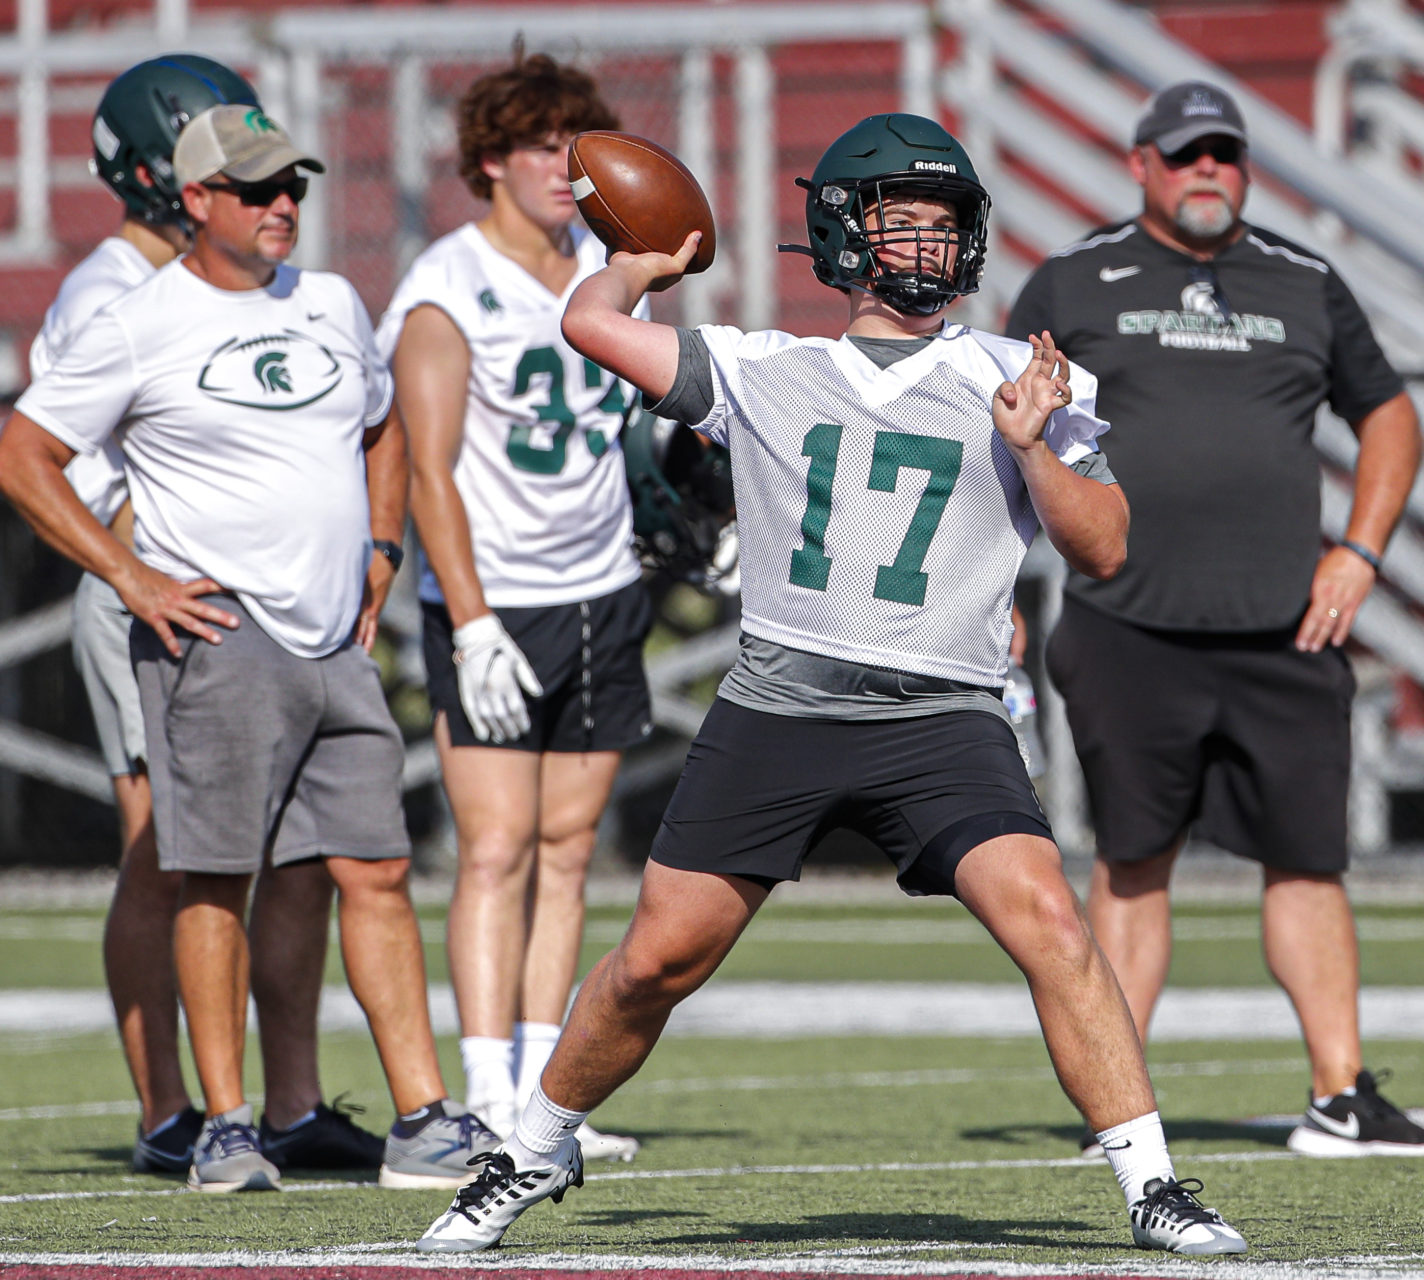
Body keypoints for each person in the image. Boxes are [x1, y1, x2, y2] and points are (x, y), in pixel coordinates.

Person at [414, 113, 1249, 1257]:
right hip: (781, 707)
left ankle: (1153, 1184)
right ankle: (534, 1141)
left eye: (947, 223)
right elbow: (589, 323)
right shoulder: (763, 368)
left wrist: (1038, 447)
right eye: (903, 220)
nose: (930, 244)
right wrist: (643, 258)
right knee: (656, 958)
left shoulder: (1020, 372)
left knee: (1053, 919)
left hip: (943, 713)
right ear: (845, 236)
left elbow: (1103, 545)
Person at [0, 103, 498, 1193]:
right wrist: (130, 575)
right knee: (212, 877)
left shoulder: (327, 298)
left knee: (379, 867)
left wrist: (380, 539)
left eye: (294, 187)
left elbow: (383, 421)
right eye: (260, 188)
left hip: (335, 636)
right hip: (216, 638)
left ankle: (424, 1116)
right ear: (196, 199)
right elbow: (23, 458)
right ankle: (224, 1124)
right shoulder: (136, 318)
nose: (284, 206)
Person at [1006, 82, 1424, 1158]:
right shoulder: (1075, 277)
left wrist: (1360, 548)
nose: (1208, 170)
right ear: (1142, 164)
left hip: (1281, 630)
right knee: (1132, 858)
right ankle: (1119, 1107)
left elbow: (1388, 412)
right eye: (1185, 153)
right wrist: (995, 588)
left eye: (1225, 154)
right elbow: (1007, 426)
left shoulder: (1304, 280)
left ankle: (1341, 1094)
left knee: (1308, 862)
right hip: (1127, 625)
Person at [40, 54, 380, 1178]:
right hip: (168, 591)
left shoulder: (270, 286)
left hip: (266, 606)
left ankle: (285, 1101)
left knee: (297, 856)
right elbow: (61, 465)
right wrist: (145, 573)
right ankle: (172, 1108)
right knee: (173, 856)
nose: (274, 186)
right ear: (174, 175)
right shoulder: (117, 294)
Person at [377, 50, 644, 1161]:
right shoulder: (447, 283)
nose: (562, 168)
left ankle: (543, 1093)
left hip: (604, 581)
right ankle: (483, 1086)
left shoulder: (605, 260)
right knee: (493, 847)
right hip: (495, 597)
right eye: (542, 146)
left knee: (572, 847)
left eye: (575, 147)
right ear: (488, 160)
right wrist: (471, 617)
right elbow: (427, 466)